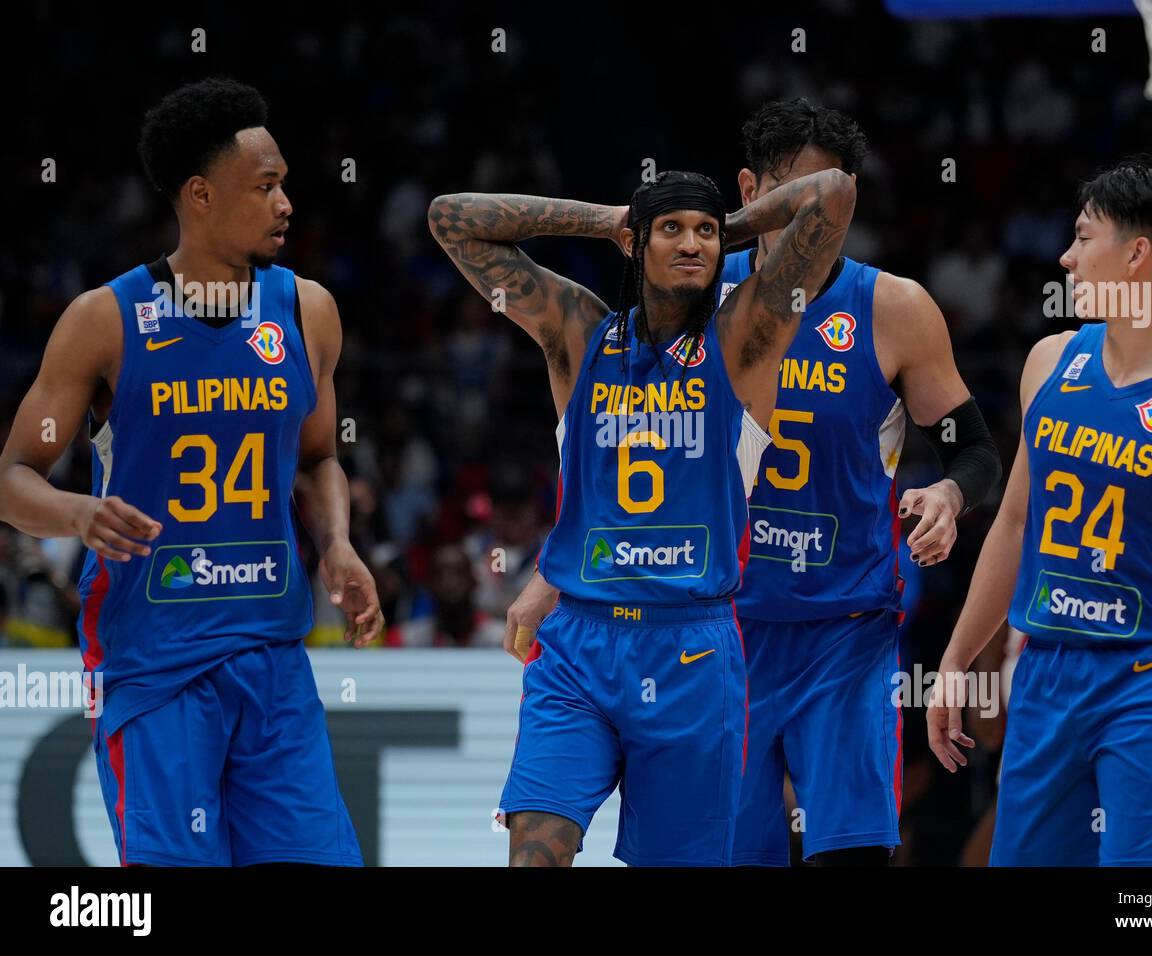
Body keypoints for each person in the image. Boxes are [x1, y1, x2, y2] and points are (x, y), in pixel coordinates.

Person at [505, 99, 1002, 866]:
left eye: (819, 196)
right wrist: (549, 574)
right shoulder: (699, 299)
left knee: (853, 854)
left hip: (845, 627)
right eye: (785, 196)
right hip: (721, 630)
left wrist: (948, 492)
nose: (806, 217)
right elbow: (622, 451)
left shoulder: (894, 308)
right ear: (749, 189)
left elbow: (974, 447)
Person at [0, 78, 382, 866]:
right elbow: (14, 476)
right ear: (201, 196)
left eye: (285, 185)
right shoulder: (106, 320)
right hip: (154, 661)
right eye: (265, 187)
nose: (286, 205)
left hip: (273, 656)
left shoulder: (307, 310)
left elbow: (319, 457)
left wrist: (338, 542)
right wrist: (77, 514)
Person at [429, 165, 855, 865]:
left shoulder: (743, 340)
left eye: (705, 232)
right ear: (636, 243)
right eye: (672, 229)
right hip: (578, 646)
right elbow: (452, 216)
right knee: (534, 853)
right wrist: (608, 220)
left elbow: (832, 194)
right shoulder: (579, 333)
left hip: (691, 649)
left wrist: (722, 224)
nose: (692, 243)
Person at [928, 155, 1152, 865]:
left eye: (1082, 237)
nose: (1065, 258)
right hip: (1047, 669)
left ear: (1136, 254)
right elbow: (1015, 524)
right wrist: (955, 659)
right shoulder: (1049, 361)